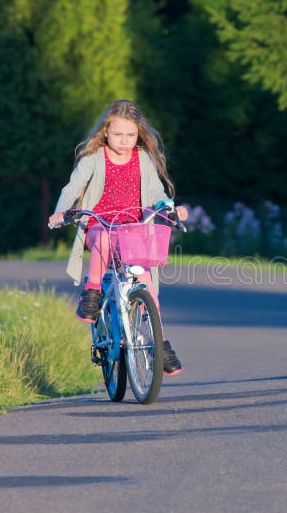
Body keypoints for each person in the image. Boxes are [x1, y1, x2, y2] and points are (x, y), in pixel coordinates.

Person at [48, 99, 188, 375]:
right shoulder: (94, 158)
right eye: (118, 135)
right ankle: (93, 293)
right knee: (100, 240)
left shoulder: (144, 160)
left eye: (130, 135)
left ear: (139, 135)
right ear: (105, 133)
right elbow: (72, 187)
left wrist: (172, 207)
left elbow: (157, 193)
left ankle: (158, 343)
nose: (124, 141)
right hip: (101, 226)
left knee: (147, 287)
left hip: (134, 232)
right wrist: (61, 212)